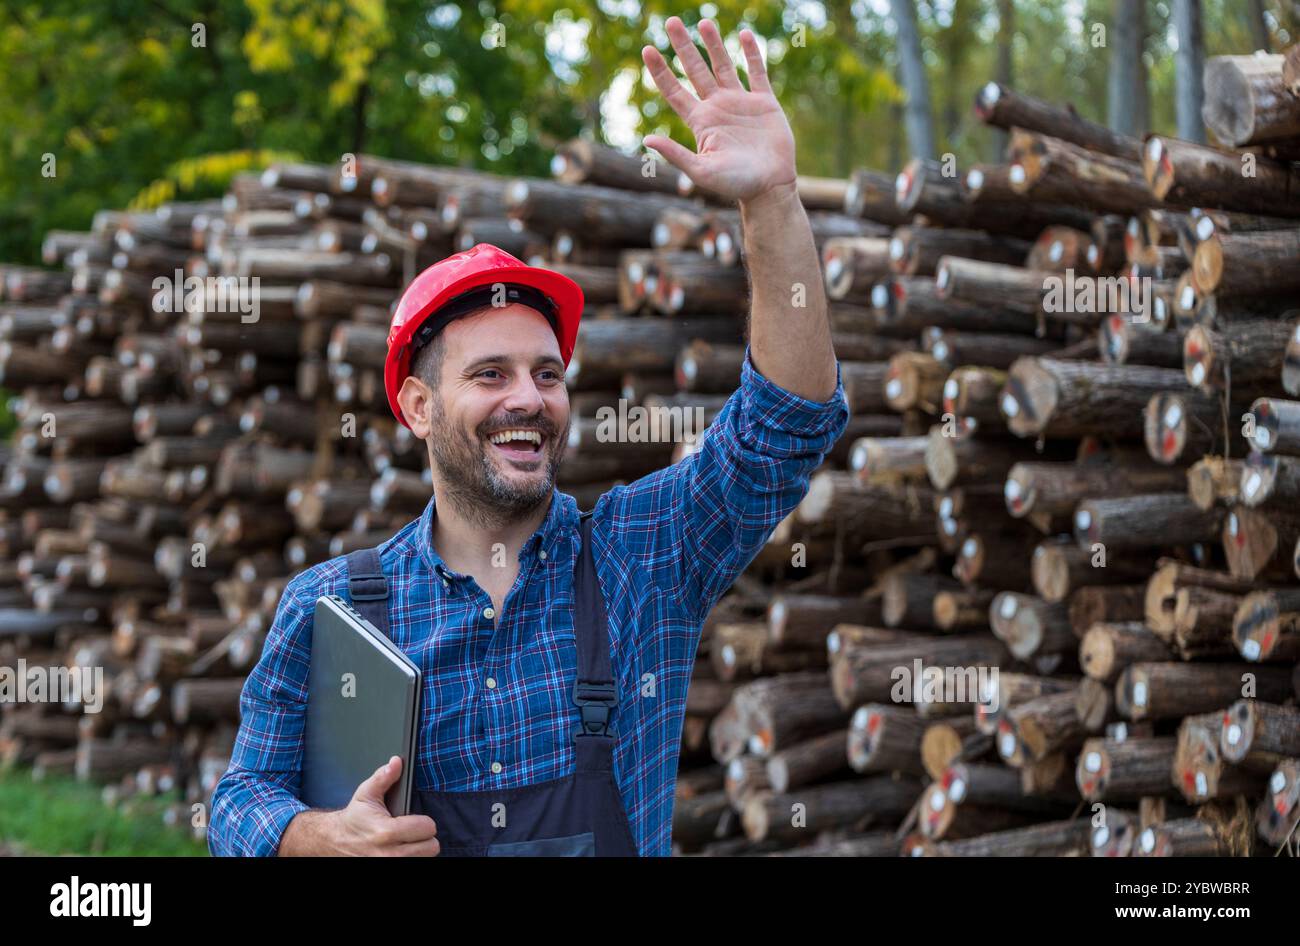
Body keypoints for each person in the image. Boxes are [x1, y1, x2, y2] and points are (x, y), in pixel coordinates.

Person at [208, 15, 848, 857]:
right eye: (489, 375)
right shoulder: (337, 612)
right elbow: (239, 801)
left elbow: (785, 425)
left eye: (547, 374)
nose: (529, 399)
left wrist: (771, 199)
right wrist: (317, 837)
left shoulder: (643, 558)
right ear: (416, 407)